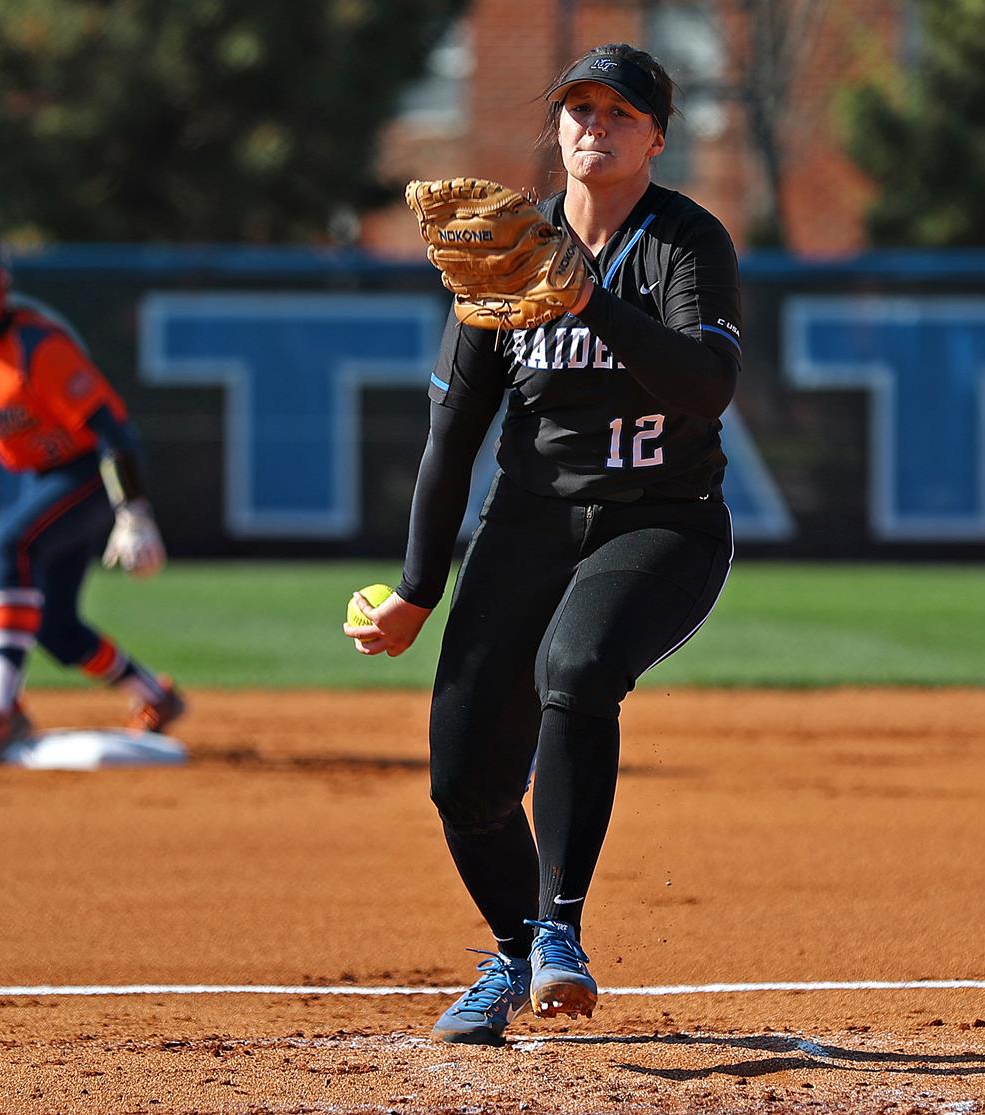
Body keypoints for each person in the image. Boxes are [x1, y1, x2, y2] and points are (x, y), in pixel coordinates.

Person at [344, 42, 739, 1045]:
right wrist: (415, 591)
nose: (591, 127)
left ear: (655, 136)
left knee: (577, 664)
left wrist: (586, 298)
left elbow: (704, 385)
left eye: (616, 113)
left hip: (661, 520)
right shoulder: (503, 247)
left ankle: (559, 931)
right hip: (526, 523)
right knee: (462, 775)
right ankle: (516, 949)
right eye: (577, 109)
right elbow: (452, 435)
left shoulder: (684, 244)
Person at [0, 220, 187, 766]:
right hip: (41, 476)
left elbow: (117, 433)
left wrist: (132, 512)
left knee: (9, 542)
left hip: (87, 473)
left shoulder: (38, 346)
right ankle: (156, 696)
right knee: (56, 628)